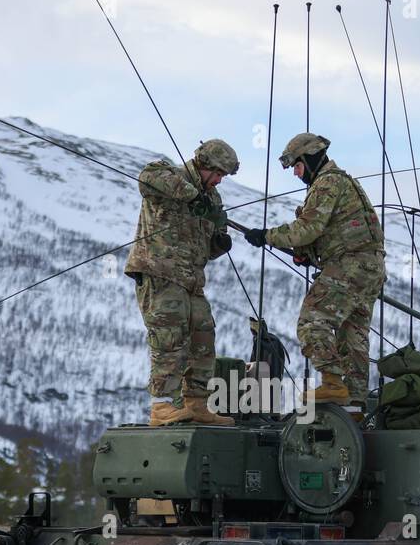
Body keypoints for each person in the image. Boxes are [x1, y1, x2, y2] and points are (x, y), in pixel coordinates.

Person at [243, 133, 386, 415]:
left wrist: (267, 236)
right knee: (353, 335)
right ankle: (355, 406)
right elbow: (326, 233)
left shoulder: (327, 183)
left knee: (312, 321)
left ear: (309, 158)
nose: (296, 174)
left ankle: (332, 381)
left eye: (297, 166)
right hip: (371, 268)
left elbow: (306, 229)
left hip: (348, 265)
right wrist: (307, 253)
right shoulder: (345, 182)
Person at [125, 139, 238, 426]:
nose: (219, 180)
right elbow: (147, 178)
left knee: (204, 338)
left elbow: (208, 246)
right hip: (160, 273)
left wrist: (220, 242)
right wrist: (191, 196)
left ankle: (197, 403)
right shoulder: (170, 175)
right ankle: (162, 406)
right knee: (169, 338)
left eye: (223, 176)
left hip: (191, 280)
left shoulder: (213, 200)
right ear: (204, 164)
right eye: (217, 173)